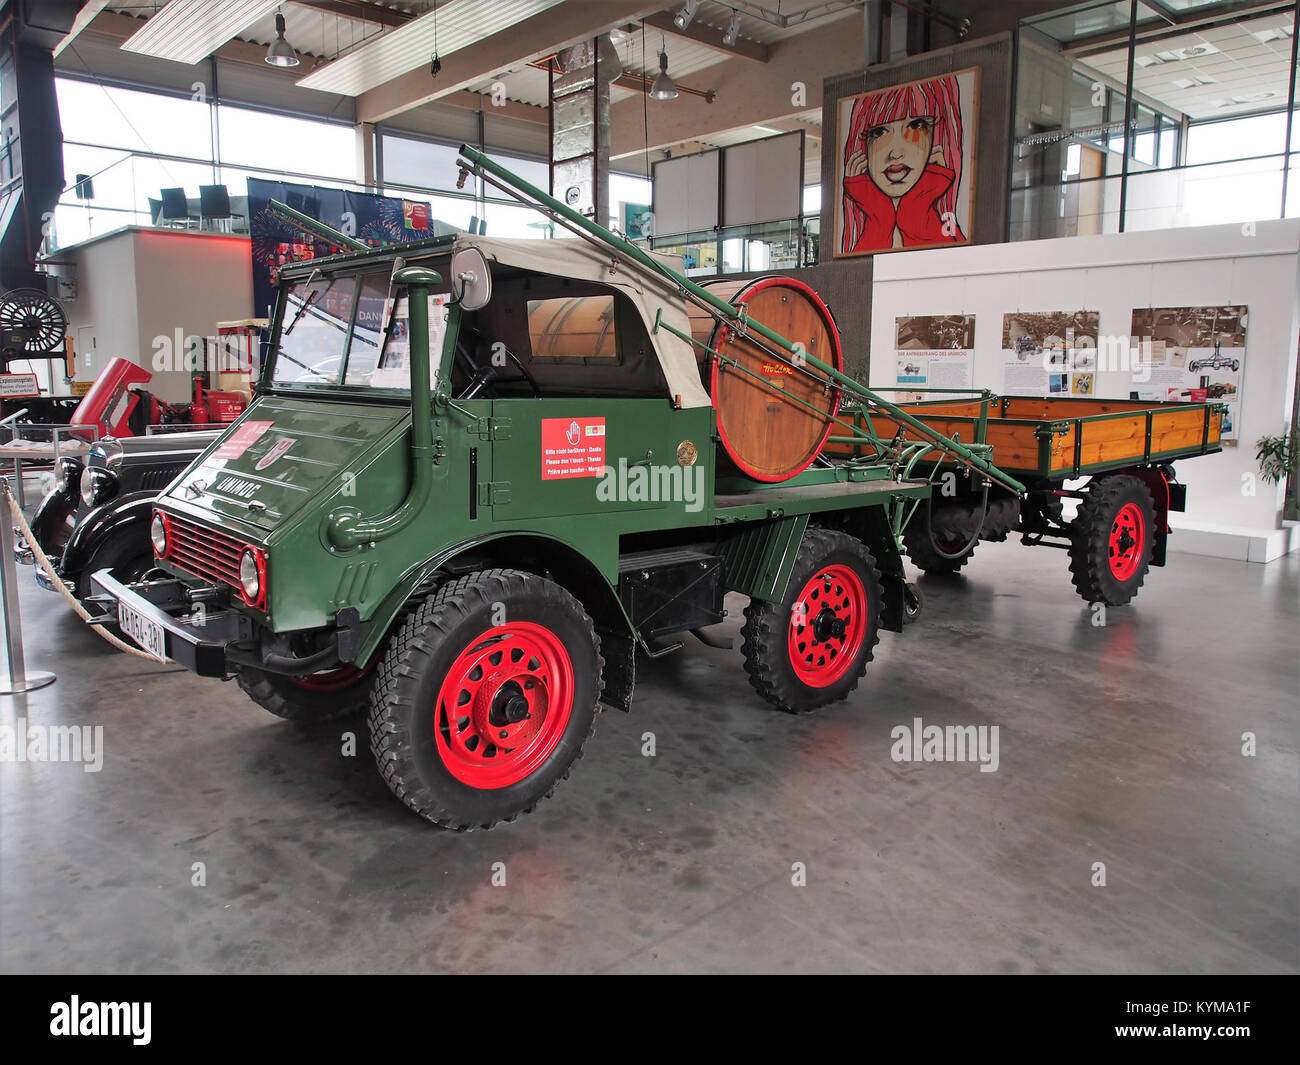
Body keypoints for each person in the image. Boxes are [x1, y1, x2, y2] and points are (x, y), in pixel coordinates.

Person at [841, 74, 968, 253]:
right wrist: (876, 209)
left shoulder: (948, 234)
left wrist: (919, 202)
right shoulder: (864, 227)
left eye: (916, 125)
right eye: (879, 132)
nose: (896, 153)